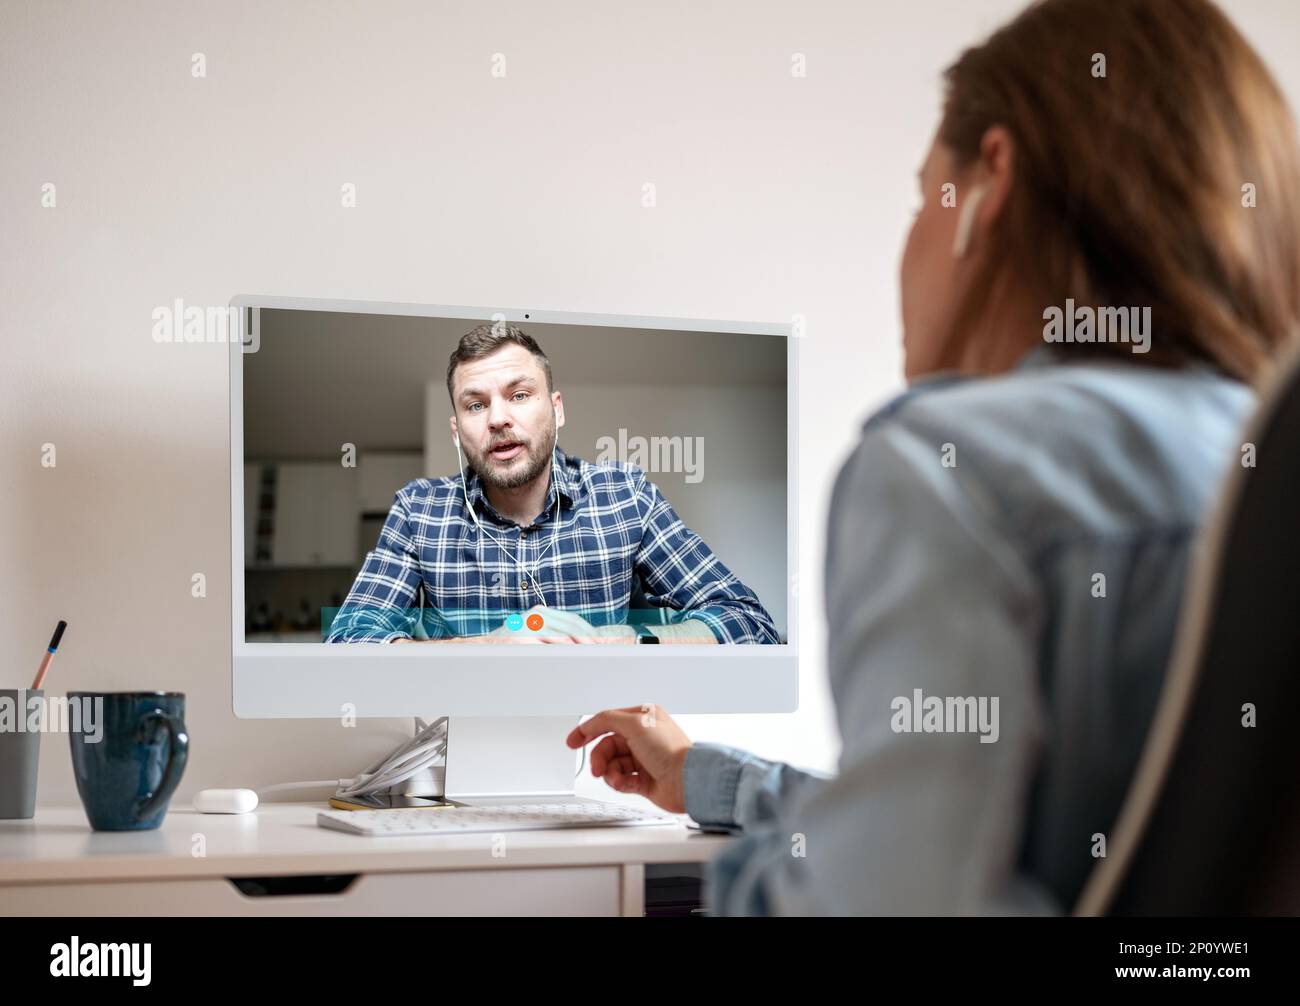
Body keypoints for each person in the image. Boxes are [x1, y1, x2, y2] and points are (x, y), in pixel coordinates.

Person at [567, 0, 1300, 914]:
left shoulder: (950, 468)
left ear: (991, 182)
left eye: (923, 197)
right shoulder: (1261, 450)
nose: (908, 242)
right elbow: (992, 848)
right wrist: (712, 778)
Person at [326, 323, 779, 644]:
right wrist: (489, 652)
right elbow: (349, 640)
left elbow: (748, 623)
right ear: (456, 429)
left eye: (519, 395)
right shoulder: (418, 510)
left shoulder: (625, 496)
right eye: (476, 405)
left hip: (609, 753)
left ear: (556, 410)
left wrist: (631, 643)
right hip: (468, 754)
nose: (499, 418)